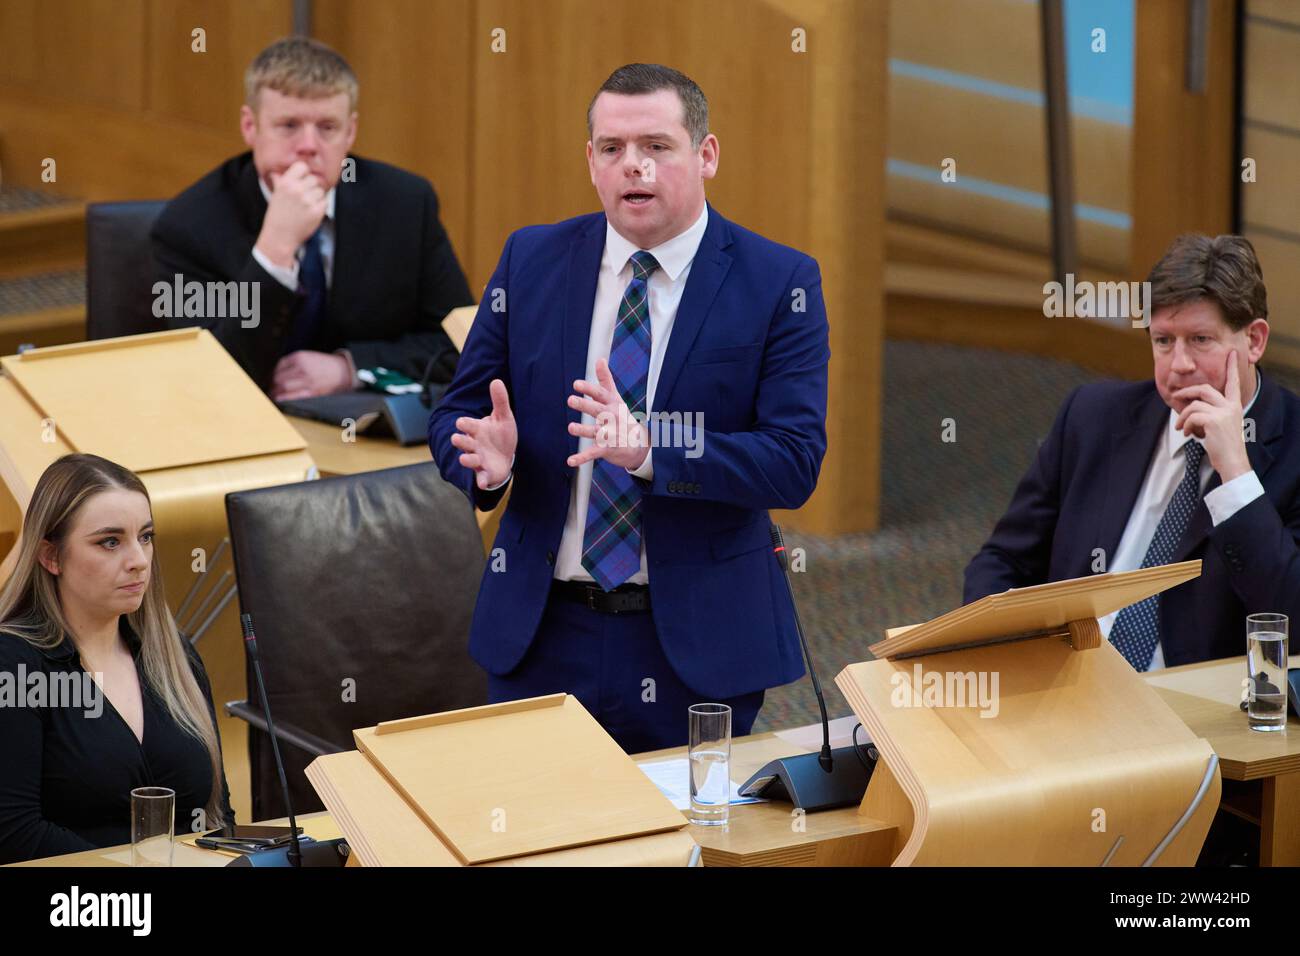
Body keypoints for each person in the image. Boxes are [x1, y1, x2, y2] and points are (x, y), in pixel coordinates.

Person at [430, 63, 830, 752]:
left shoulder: (779, 282)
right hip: (541, 633)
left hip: (693, 647)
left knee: (683, 847)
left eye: (657, 146)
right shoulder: (532, 258)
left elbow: (792, 462)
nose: (633, 167)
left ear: (706, 155)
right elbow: (458, 412)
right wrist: (487, 464)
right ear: (591, 162)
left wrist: (649, 450)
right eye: (612, 149)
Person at [965, 234, 1300, 670]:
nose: (1179, 364)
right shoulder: (1093, 416)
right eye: (1163, 341)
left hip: (1197, 707)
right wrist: (1002, 660)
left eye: (1200, 339)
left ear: (1254, 341)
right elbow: (1003, 560)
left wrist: (1235, 472)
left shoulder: (1292, 446)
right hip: (1068, 681)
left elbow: (1292, 625)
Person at [152, 36, 473, 400]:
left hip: (367, 433)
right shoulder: (188, 225)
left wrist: (349, 367)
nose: (308, 145)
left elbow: (462, 344)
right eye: (289, 125)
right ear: (250, 126)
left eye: (327, 128)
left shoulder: (406, 204)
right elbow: (206, 378)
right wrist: (274, 252)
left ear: (350, 131)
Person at [0, 454, 232, 864]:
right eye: (110, 542)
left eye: (145, 536)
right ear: (50, 556)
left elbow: (218, 817)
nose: (139, 560)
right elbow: (14, 833)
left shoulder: (175, 656)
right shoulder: (16, 665)